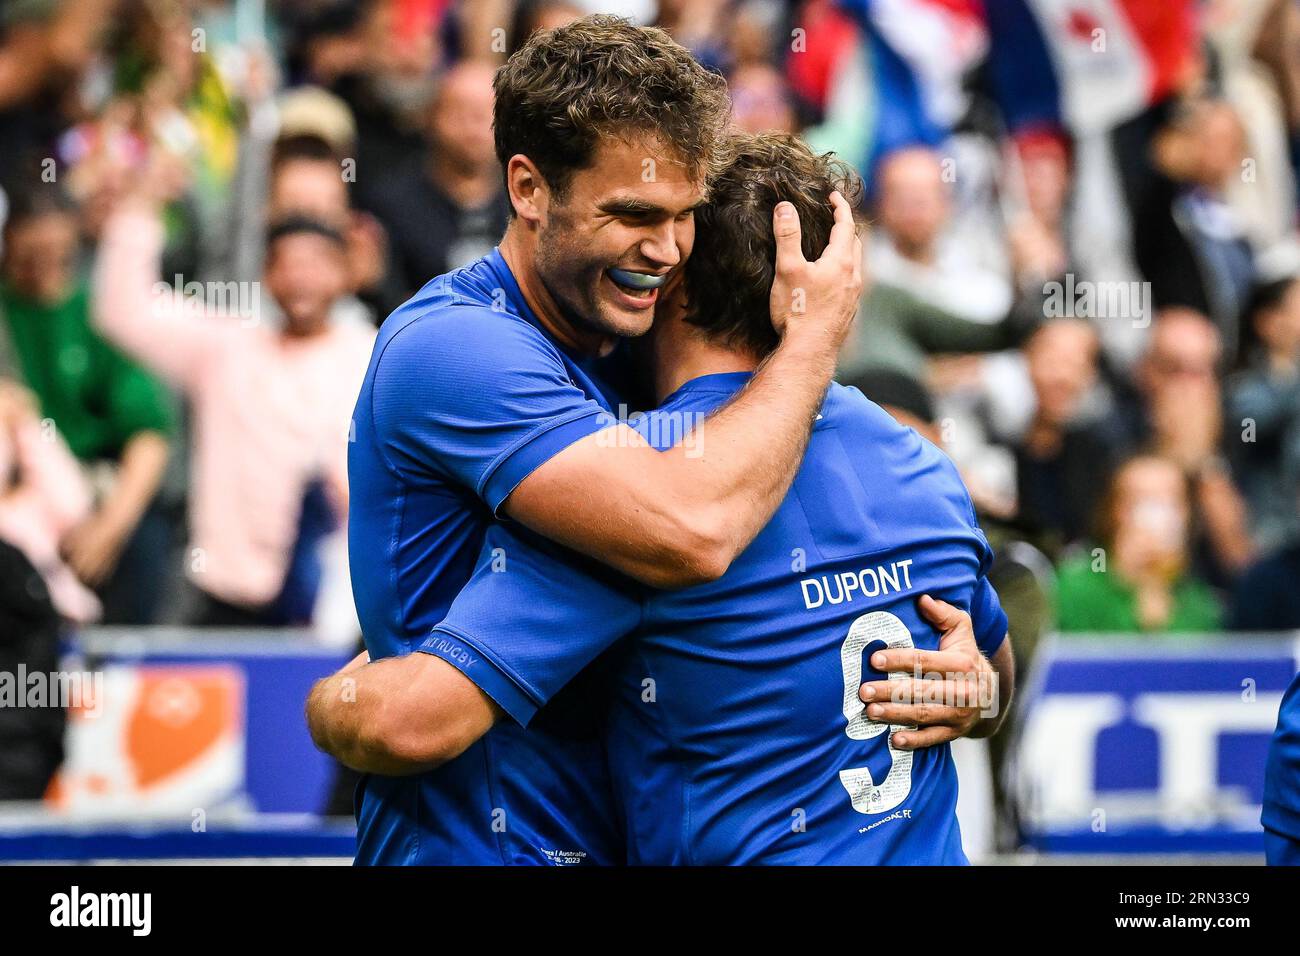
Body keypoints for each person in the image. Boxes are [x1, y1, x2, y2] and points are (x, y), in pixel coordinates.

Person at [311, 133, 1013, 865]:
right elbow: (994, 677)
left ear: (672, 282)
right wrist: (978, 695)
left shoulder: (639, 490)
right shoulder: (923, 463)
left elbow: (413, 724)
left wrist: (336, 697)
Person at [331, 16, 864, 865]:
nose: (665, 251)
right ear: (529, 187)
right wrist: (810, 342)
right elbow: (691, 531)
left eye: (684, 216)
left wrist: (970, 684)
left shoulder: (628, 346)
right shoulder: (454, 348)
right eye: (632, 215)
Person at [93, 172, 375, 627]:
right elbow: (124, 312)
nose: (301, 276)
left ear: (345, 272)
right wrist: (140, 209)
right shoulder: (226, 348)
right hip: (225, 592)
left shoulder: (374, 354)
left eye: (318, 262)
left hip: (340, 602)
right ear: (265, 273)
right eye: (286, 262)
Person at [0, 187, 175, 624]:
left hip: (91, 490)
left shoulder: (99, 315)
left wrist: (109, 528)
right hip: (14, 494)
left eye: (56, 252)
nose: (44, 267)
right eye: (31, 252)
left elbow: (149, 434)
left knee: (147, 540)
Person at [1054, 455, 1222, 633]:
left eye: (1169, 501)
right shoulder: (1073, 584)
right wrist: (1124, 580)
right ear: (1114, 510)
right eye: (1140, 500)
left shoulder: (1199, 600)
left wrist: (1154, 589)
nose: (1156, 516)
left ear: (1186, 513)